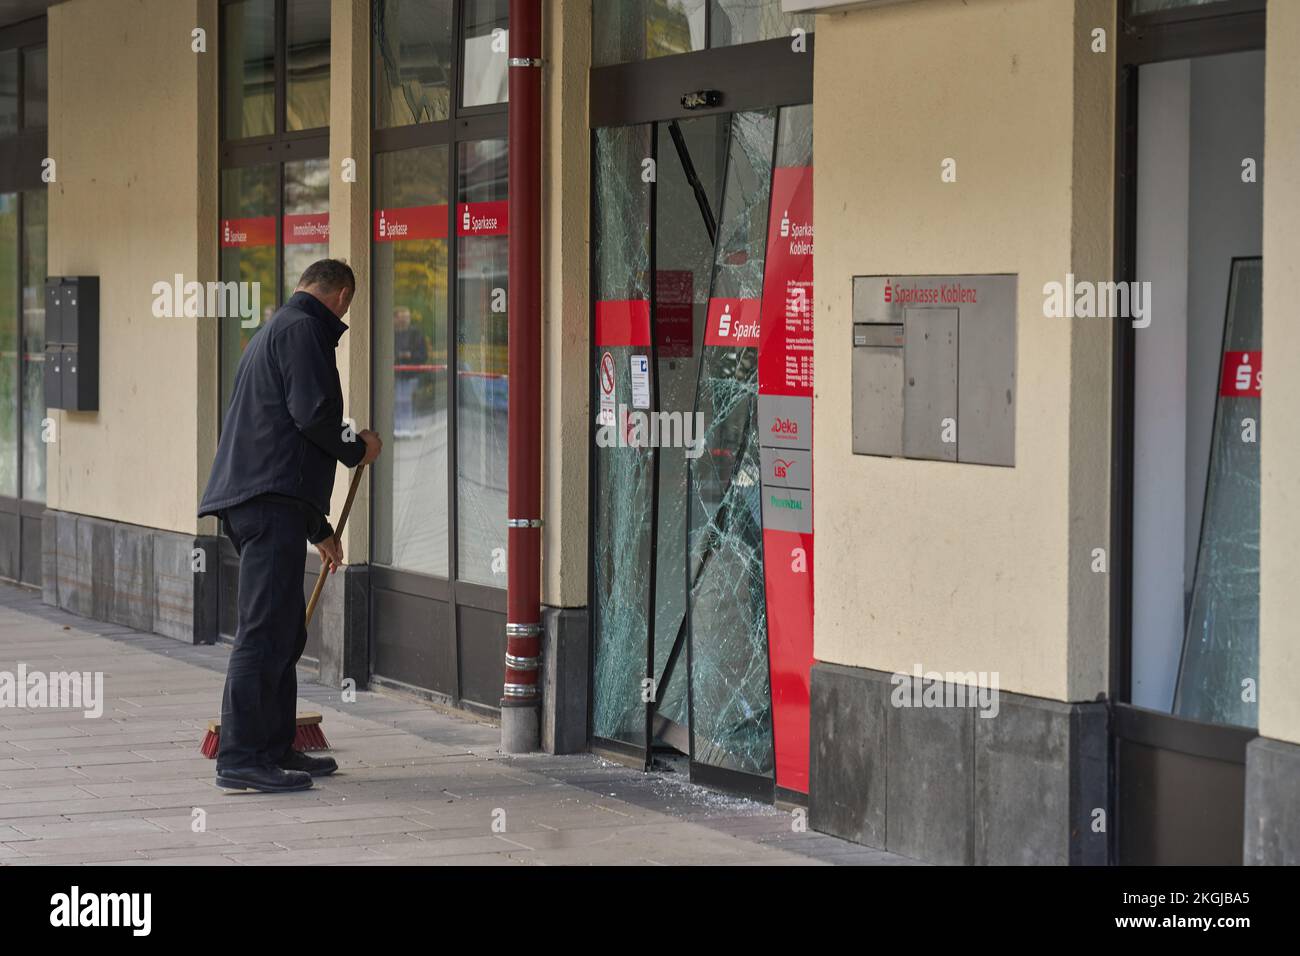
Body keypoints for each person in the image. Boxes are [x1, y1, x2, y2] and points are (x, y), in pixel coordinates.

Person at [198, 259, 382, 793]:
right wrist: (357, 449)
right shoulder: (305, 329)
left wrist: (317, 526)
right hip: (266, 504)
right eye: (347, 305)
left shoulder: (276, 328)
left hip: (267, 501)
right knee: (262, 630)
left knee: (282, 627)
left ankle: (276, 748)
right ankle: (241, 758)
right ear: (342, 295)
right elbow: (313, 416)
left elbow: (280, 441)